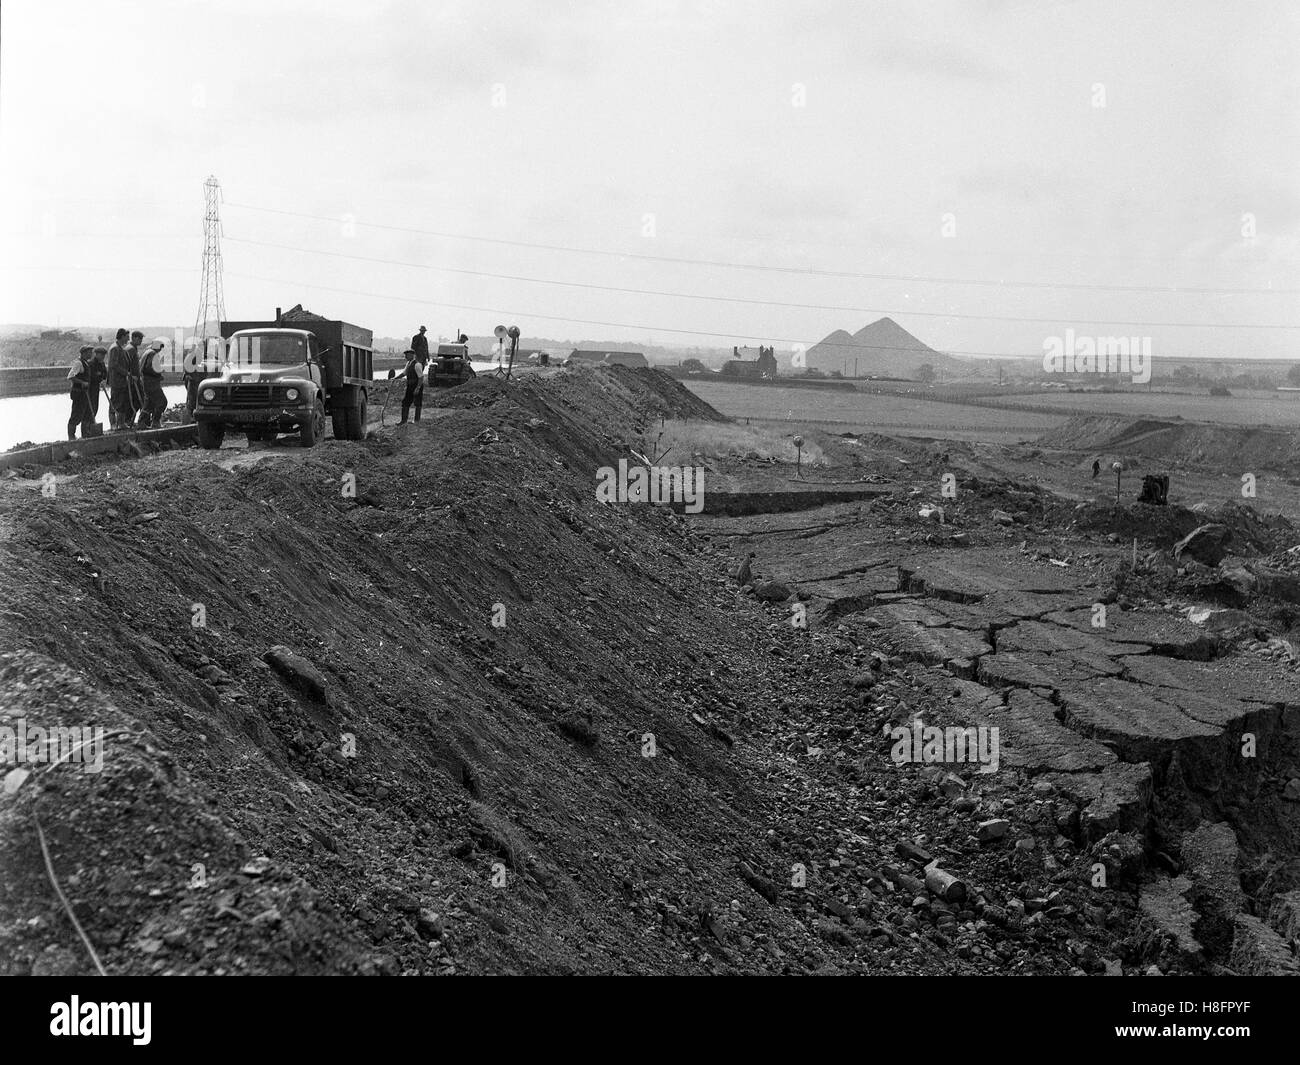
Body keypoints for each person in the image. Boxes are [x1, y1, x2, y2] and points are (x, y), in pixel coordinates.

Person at [66, 345, 95, 439]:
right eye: (89, 352)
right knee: (76, 414)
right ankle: (71, 436)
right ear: (84, 353)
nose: (91, 354)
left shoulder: (86, 363)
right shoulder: (78, 363)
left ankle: (85, 434)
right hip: (78, 393)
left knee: (85, 413)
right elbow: (70, 376)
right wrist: (82, 382)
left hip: (84, 393)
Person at [137, 339, 168, 429]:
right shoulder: (153, 354)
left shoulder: (147, 352)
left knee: (149, 404)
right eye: (160, 349)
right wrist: (158, 374)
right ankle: (155, 422)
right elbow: (149, 368)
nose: (160, 351)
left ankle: (141, 422)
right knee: (162, 402)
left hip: (146, 382)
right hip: (152, 383)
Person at [106, 328, 132, 429]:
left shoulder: (120, 348)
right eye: (127, 337)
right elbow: (113, 365)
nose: (128, 339)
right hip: (116, 381)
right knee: (115, 402)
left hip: (122, 381)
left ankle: (121, 423)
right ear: (121, 336)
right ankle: (113, 424)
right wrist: (126, 373)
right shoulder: (114, 348)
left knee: (122, 402)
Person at [398, 349, 424, 423]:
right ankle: (403, 421)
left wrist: (418, 388)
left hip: (416, 385)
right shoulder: (408, 363)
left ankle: (416, 420)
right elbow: (404, 373)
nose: (405, 356)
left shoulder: (417, 365)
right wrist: (395, 378)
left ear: (412, 355)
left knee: (417, 402)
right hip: (410, 385)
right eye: (405, 355)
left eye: (407, 355)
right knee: (405, 402)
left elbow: (421, 377)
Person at [87, 346, 108, 423]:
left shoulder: (102, 364)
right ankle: (87, 426)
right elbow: (92, 376)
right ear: (96, 354)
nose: (103, 357)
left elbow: (105, 373)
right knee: (90, 407)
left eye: (104, 355)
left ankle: (92, 423)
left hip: (96, 388)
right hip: (90, 388)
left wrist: (103, 380)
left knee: (95, 407)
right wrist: (99, 379)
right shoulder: (91, 364)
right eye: (101, 355)